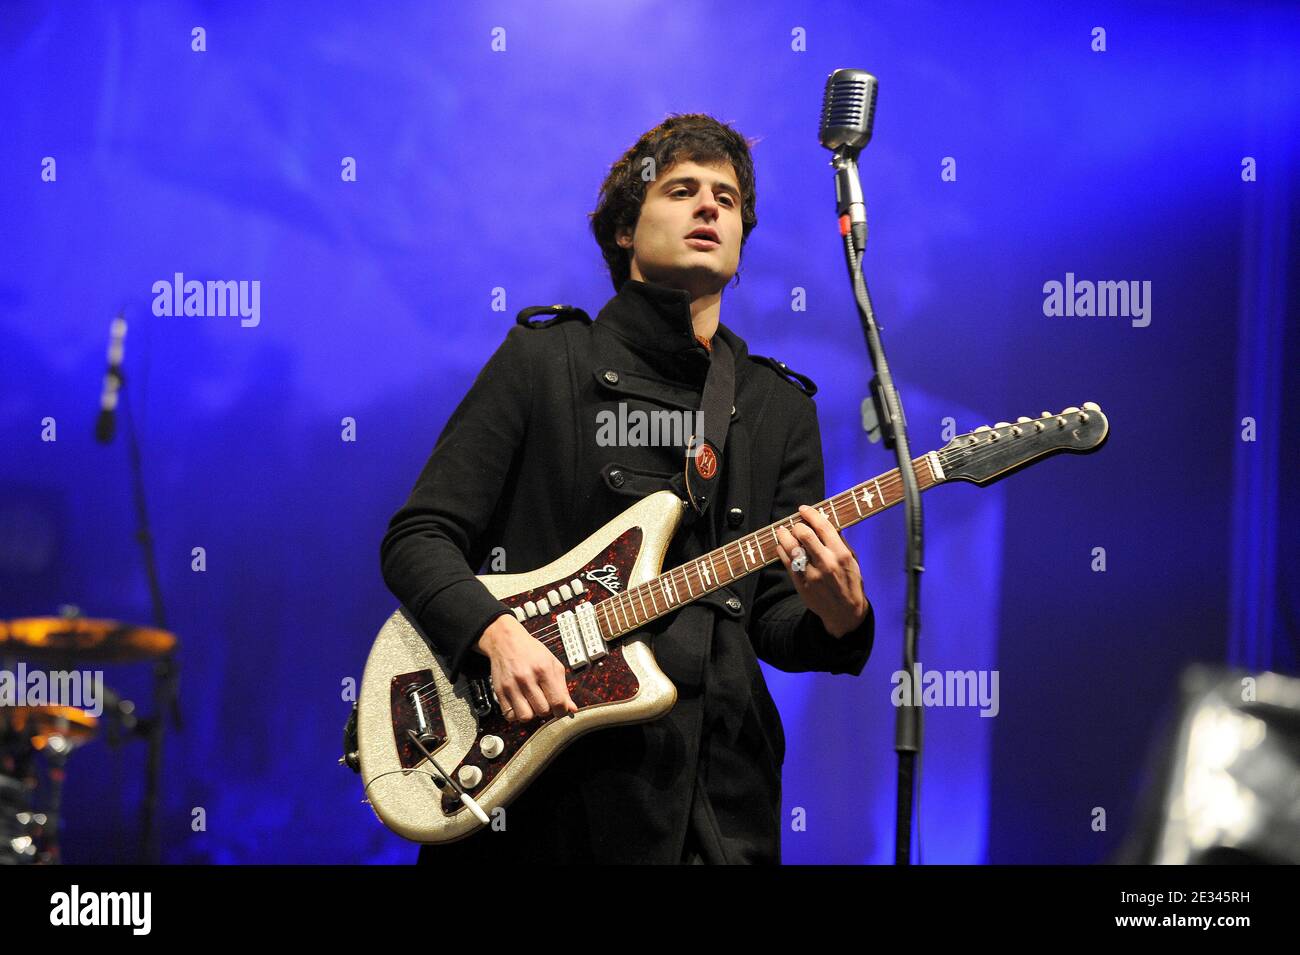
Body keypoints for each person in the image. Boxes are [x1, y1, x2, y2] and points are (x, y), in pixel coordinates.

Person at [380, 113, 875, 864]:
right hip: (543, 788)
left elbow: (770, 614)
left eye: (728, 198)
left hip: (714, 800)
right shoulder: (547, 361)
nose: (711, 206)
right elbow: (420, 536)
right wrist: (496, 633)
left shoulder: (778, 407)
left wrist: (840, 618)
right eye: (682, 190)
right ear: (623, 230)